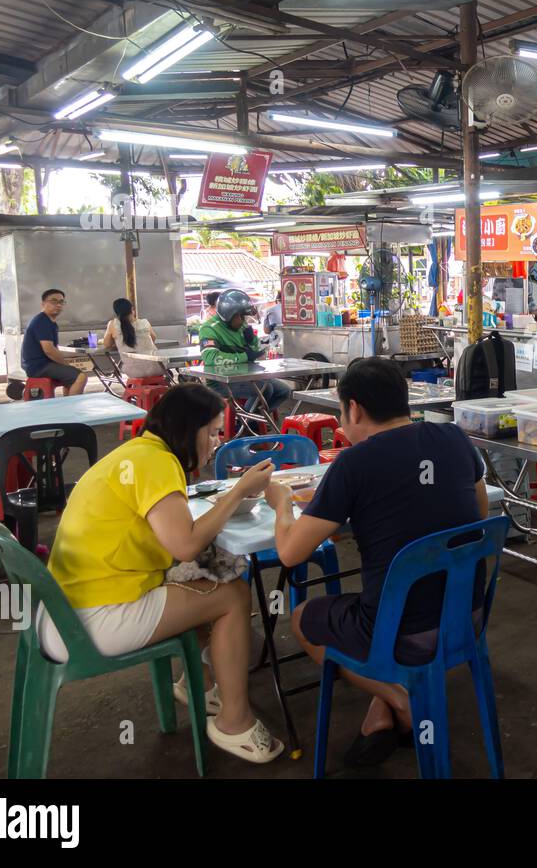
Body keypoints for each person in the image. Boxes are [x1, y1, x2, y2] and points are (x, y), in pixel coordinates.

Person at [36, 383, 284, 762]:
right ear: (191, 429)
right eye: (214, 432)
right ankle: (233, 722)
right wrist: (239, 491)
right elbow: (185, 543)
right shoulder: (158, 464)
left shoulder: (139, 452)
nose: (217, 442)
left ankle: (198, 683)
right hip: (91, 620)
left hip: (64, 610)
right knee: (231, 594)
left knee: (197, 579)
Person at [268, 357, 489, 768]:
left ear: (354, 409)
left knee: (302, 620)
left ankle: (399, 700)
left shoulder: (354, 464)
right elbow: (476, 516)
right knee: (388, 600)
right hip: (465, 620)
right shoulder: (456, 439)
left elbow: (290, 553)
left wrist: (281, 504)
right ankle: (381, 711)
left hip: (403, 638)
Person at [198, 288, 290, 421]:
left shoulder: (241, 327)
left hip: (246, 376)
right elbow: (211, 358)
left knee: (283, 391)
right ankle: (245, 425)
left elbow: (256, 349)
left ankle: (252, 422)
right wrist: (245, 356)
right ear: (228, 314)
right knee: (266, 389)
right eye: (240, 316)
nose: (243, 320)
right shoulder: (209, 329)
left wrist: (253, 340)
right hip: (221, 381)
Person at [20, 288, 87, 396]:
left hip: (43, 364)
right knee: (80, 377)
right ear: (43, 304)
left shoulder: (49, 321)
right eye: (54, 301)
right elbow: (49, 350)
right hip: (38, 367)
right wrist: (66, 364)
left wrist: (66, 366)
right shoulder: (41, 321)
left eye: (61, 302)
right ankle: (73, 411)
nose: (58, 305)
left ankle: (68, 405)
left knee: (71, 377)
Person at [102, 297, 166, 380]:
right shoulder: (145, 323)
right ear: (132, 310)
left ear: (116, 312)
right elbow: (153, 338)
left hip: (133, 370)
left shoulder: (113, 324)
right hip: (157, 367)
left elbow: (107, 344)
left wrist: (119, 341)